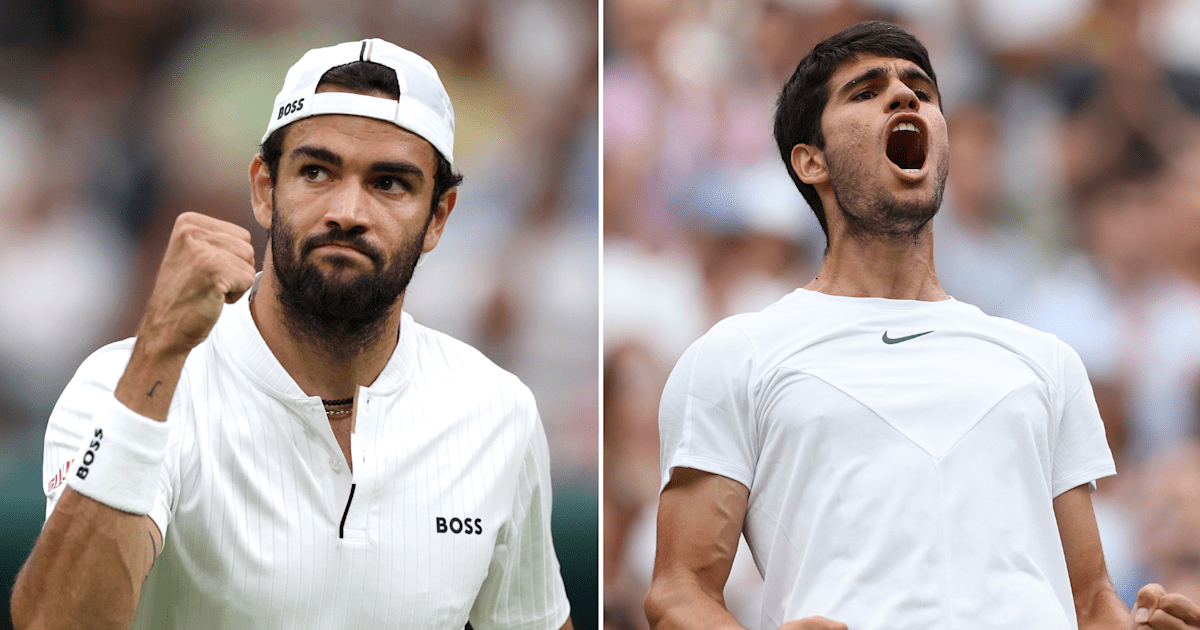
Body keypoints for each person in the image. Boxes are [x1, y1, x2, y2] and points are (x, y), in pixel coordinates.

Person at [645, 21, 1200, 630]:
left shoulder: (1046, 359)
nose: (905, 97)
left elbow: (1093, 605)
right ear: (811, 162)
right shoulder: (736, 356)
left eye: (922, 90)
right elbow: (678, 592)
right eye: (865, 91)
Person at [11, 39, 573, 630]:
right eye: (316, 172)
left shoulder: (497, 410)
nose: (348, 211)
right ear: (264, 188)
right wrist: (158, 356)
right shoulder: (126, 384)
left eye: (390, 183)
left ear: (438, 215)